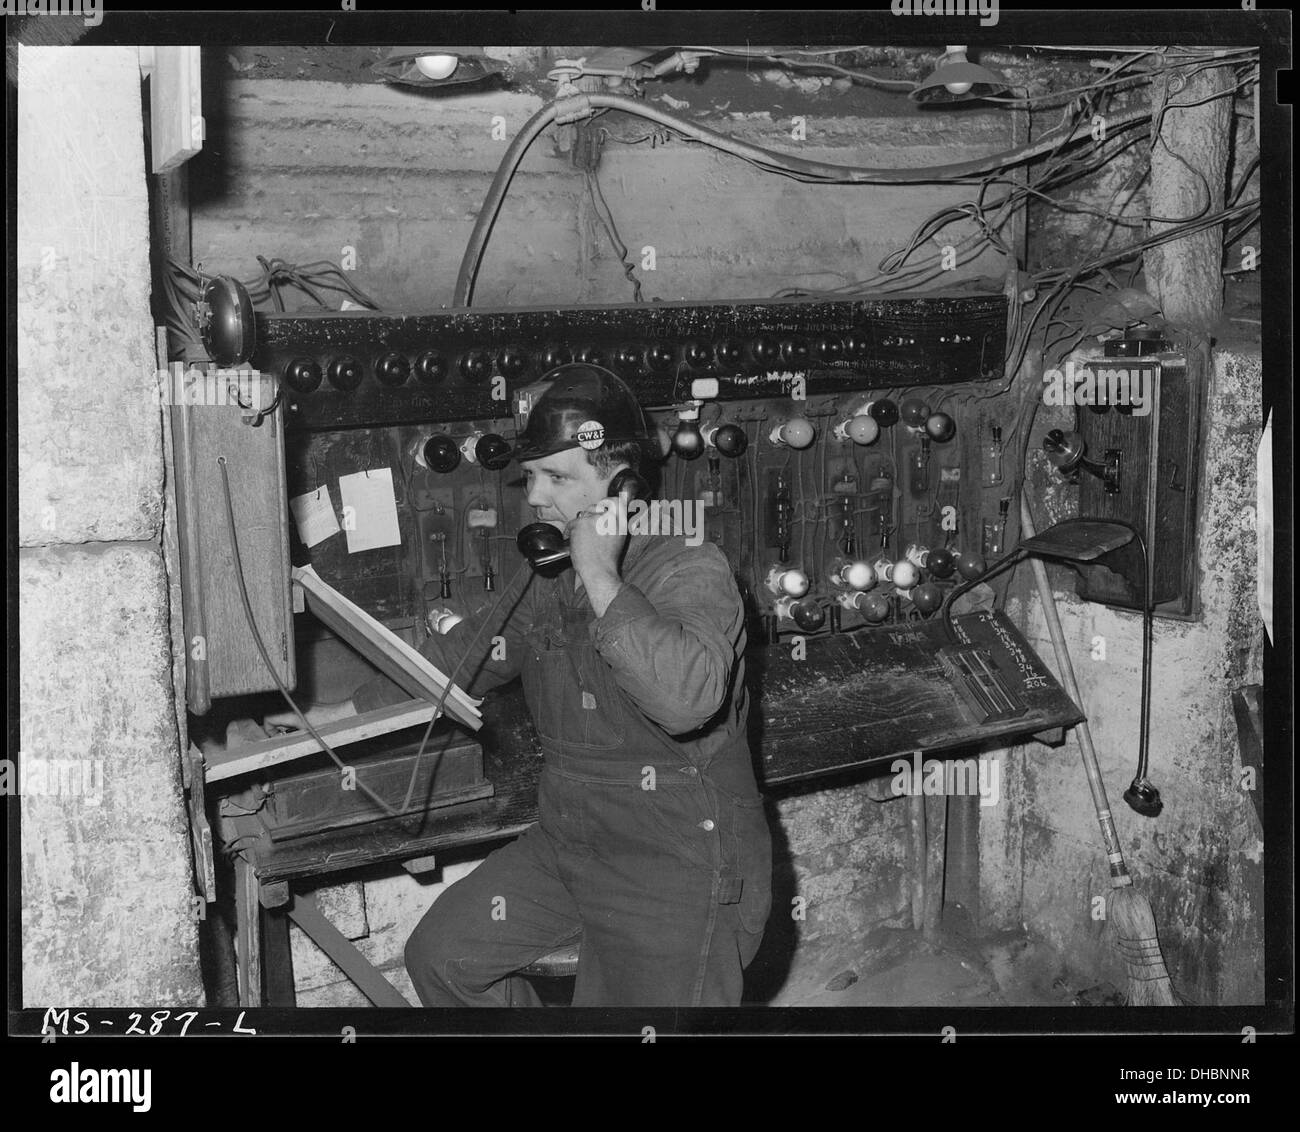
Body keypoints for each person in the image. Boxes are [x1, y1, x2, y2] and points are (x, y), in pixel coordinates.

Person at [283, 364, 772, 1006]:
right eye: (530, 476)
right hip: (574, 836)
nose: (535, 497)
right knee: (443, 958)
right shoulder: (549, 580)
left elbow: (684, 700)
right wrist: (345, 712)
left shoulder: (689, 566)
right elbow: (463, 656)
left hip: (676, 856)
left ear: (623, 485)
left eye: (557, 477)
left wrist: (601, 573)